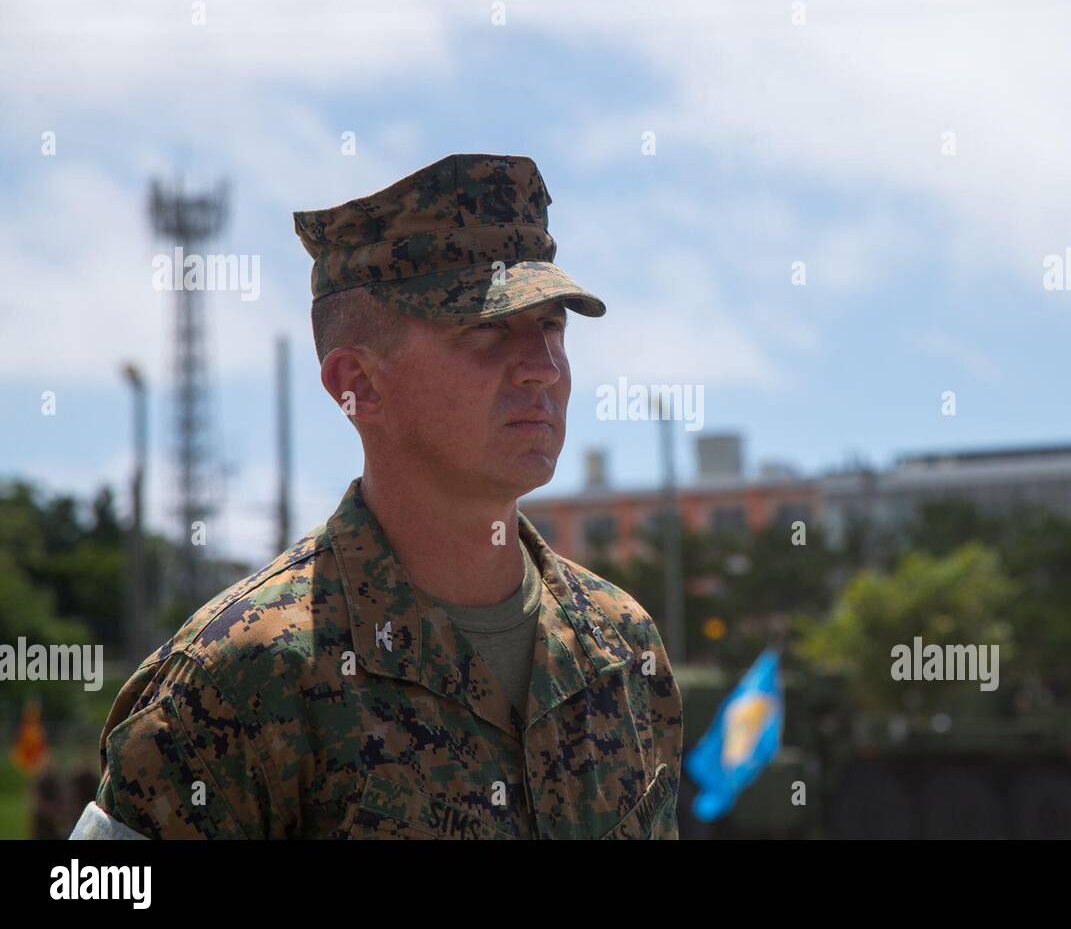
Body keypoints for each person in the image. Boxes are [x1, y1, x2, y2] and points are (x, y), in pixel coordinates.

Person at [70, 153, 683, 839]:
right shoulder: (242, 681)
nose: (542, 368)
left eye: (551, 327)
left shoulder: (622, 648)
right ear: (357, 383)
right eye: (485, 328)